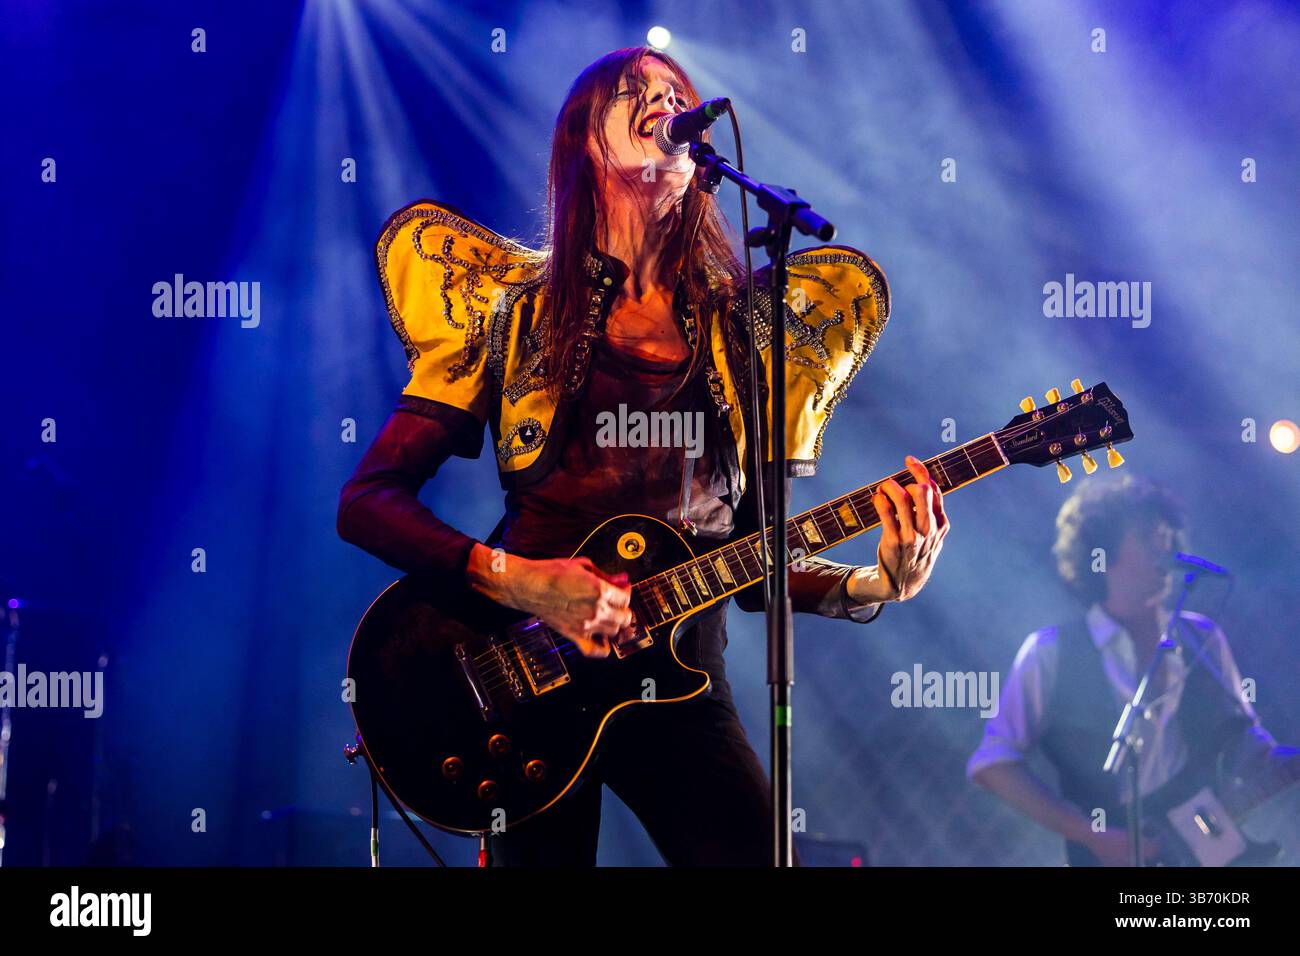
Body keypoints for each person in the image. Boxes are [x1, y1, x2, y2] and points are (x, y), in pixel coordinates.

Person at [339, 47, 949, 866]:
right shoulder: (512, 315)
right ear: (585, 143)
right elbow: (368, 501)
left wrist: (880, 580)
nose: (661, 101)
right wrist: (518, 580)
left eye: (675, 92)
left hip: (682, 686)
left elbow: (758, 564)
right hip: (518, 680)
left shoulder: (748, 337)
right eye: (633, 93)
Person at [968, 475, 1282, 865]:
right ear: (1103, 549)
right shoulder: (1050, 652)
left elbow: (1249, 747)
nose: (1163, 546)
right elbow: (993, 764)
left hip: (1212, 851)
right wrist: (1095, 836)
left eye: (1166, 534)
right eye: (1148, 535)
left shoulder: (1200, 635)